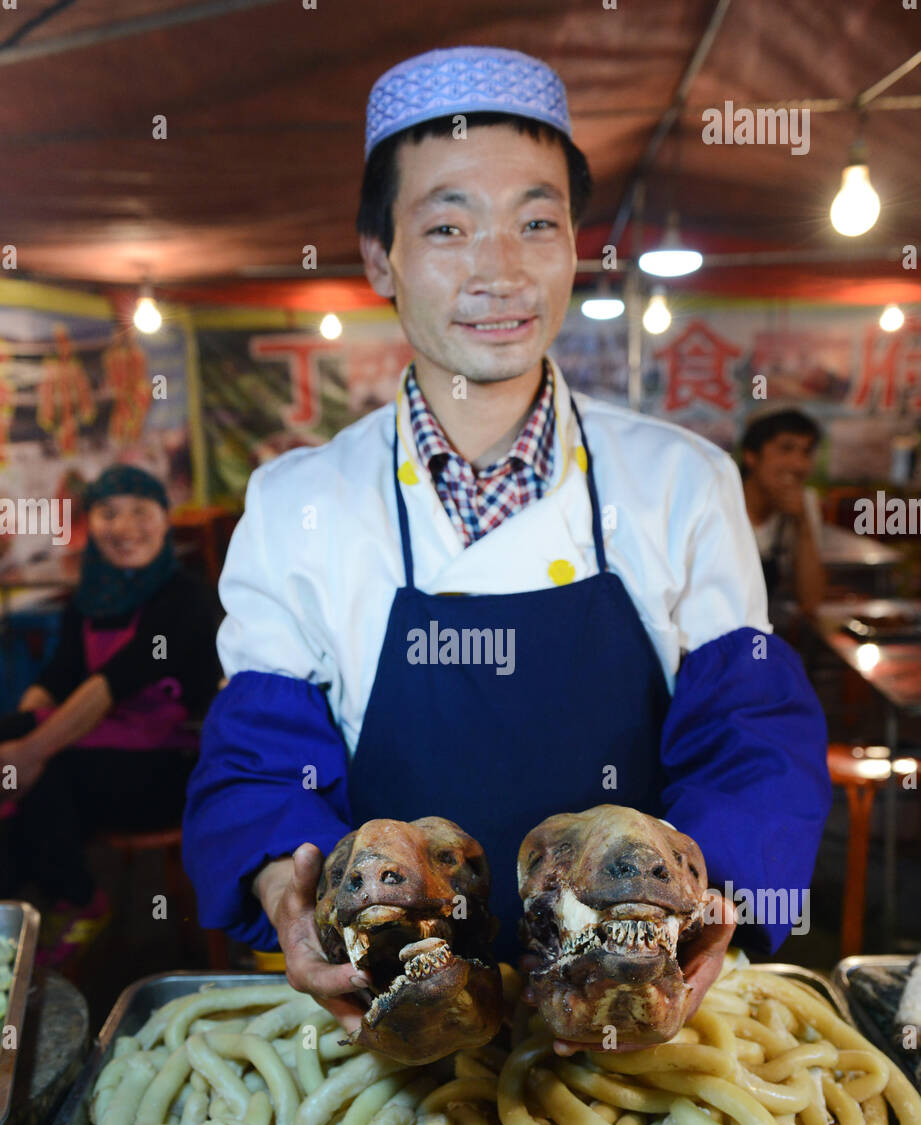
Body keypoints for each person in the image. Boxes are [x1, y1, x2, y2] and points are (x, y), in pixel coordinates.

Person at [183, 46, 832, 1053]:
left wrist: (718, 897)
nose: (500, 268)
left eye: (537, 222)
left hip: (630, 1012)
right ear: (378, 258)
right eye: (448, 226)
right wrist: (286, 885)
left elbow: (747, 733)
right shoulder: (297, 503)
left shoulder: (681, 481)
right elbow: (261, 764)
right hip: (395, 1020)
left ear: (574, 246)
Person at [0, 465, 221, 965]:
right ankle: (29, 902)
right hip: (102, 750)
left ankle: (79, 900)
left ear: (164, 519)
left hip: (172, 768)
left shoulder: (183, 597)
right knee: (18, 745)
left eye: (140, 511)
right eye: (108, 512)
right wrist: (19, 732)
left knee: (45, 768)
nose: (124, 527)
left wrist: (28, 751)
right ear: (91, 522)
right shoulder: (89, 599)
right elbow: (59, 676)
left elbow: (109, 684)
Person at [740, 408, 826, 615]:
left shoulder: (805, 501)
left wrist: (802, 523)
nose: (798, 465)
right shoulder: (720, 501)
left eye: (806, 452)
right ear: (750, 456)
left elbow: (810, 602)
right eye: (786, 449)